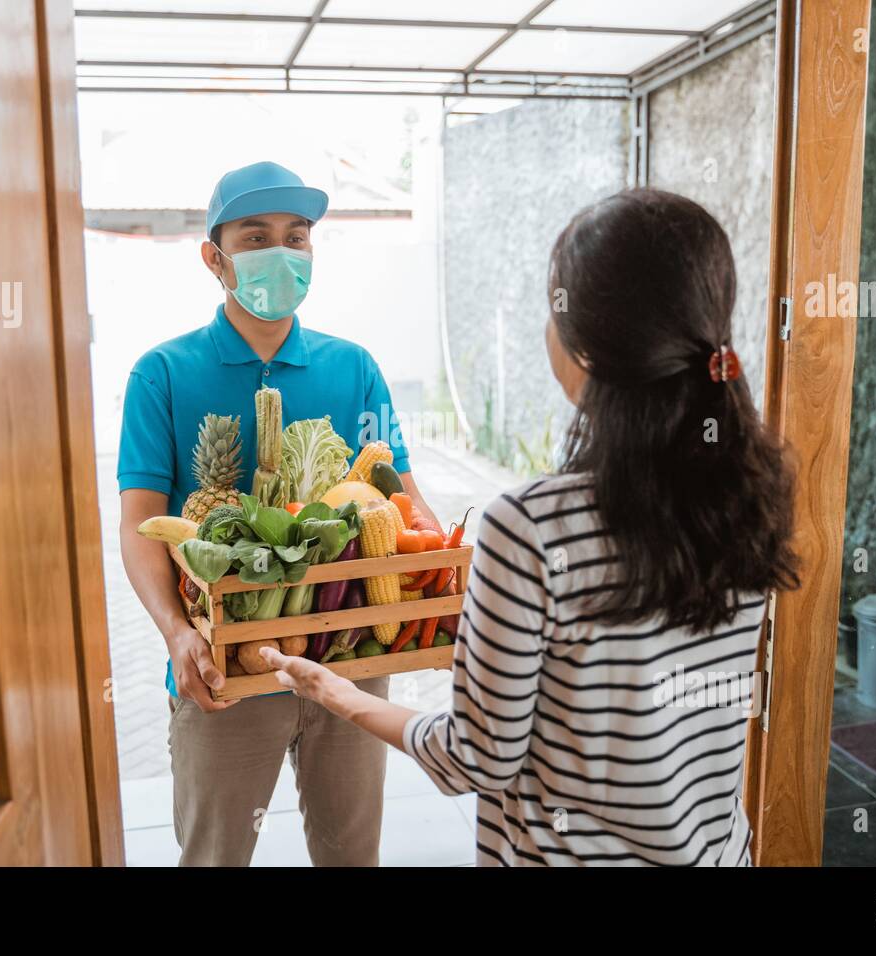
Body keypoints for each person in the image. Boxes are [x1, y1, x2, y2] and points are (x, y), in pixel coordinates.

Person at [265, 187, 800, 866]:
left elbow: (474, 761)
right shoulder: (751, 493)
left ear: (586, 346)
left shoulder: (530, 528)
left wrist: (337, 692)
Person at [118, 161, 440, 867]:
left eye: (297, 237)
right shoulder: (162, 374)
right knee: (215, 856)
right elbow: (138, 526)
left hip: (350, 658)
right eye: (257, 235)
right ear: (215, 257)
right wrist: (178, 634)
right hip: (223, 667)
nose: (283, 252)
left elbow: (407, 501)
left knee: (351, 853)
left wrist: (438, 584)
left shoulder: (354, 367)